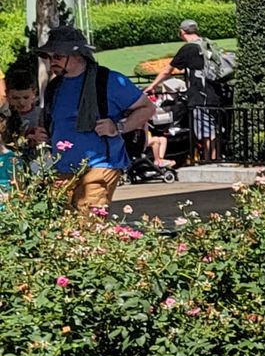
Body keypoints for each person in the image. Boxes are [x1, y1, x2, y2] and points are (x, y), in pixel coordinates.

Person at [37, 26, 155, 214]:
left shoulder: (109, 80)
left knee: (88, 225)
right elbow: (54, 122)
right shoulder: (54, 86)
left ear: (77, 55)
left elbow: (148, 108)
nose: (52, 62)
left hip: (100, 165)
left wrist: (118, 127)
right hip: (62, 168)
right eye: (49, 57)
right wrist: (43, 135)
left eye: (57, 56)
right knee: (61, 231)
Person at [145, 19, 218, 165]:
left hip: (199, 95)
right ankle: (215, 158)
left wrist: (153, 85)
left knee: (205, 132)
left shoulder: (188, 48)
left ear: (182, 32)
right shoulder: (207, 44)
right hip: (214, 92)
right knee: (213, 130)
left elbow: (168, 70)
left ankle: (210, 160)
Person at [3, 53, 50, 165]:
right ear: (7, 95)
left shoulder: (42, 114)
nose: (21, 102)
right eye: (15, 98)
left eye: (26, 97)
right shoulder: (4, 117)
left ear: (34, 93)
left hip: (39, 163)